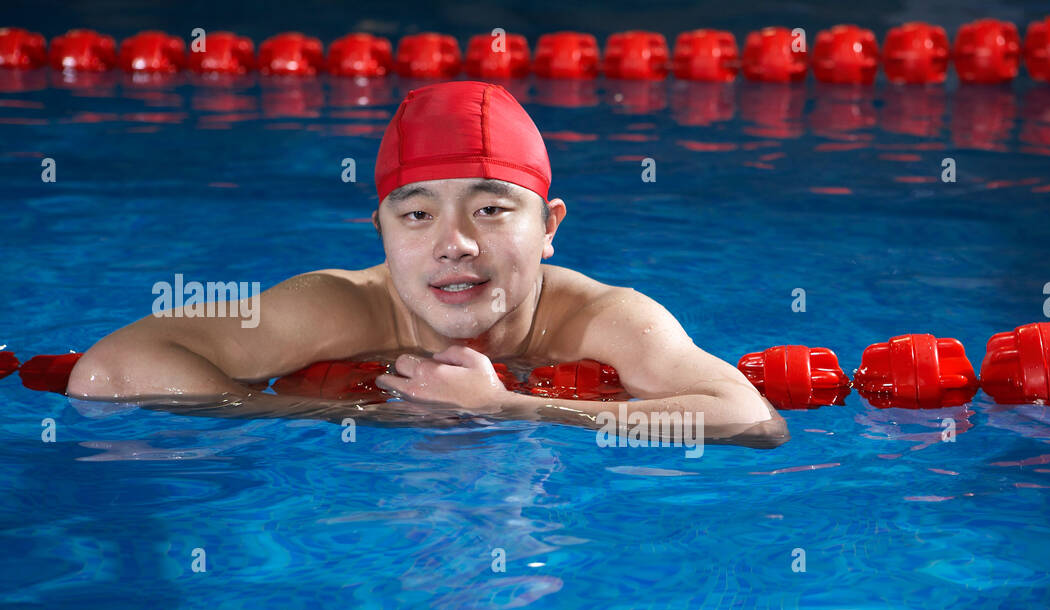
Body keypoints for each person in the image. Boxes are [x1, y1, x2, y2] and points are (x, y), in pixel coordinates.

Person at [67, 80, 787, 446]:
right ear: (378, 229)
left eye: (492, 209)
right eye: (416, 214)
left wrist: (511, 408)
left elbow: (750, 418)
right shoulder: (339, 307)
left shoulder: (603, 316)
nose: (455, 243)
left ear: (549, 228)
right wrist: (341, 414)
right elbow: (109, 369)